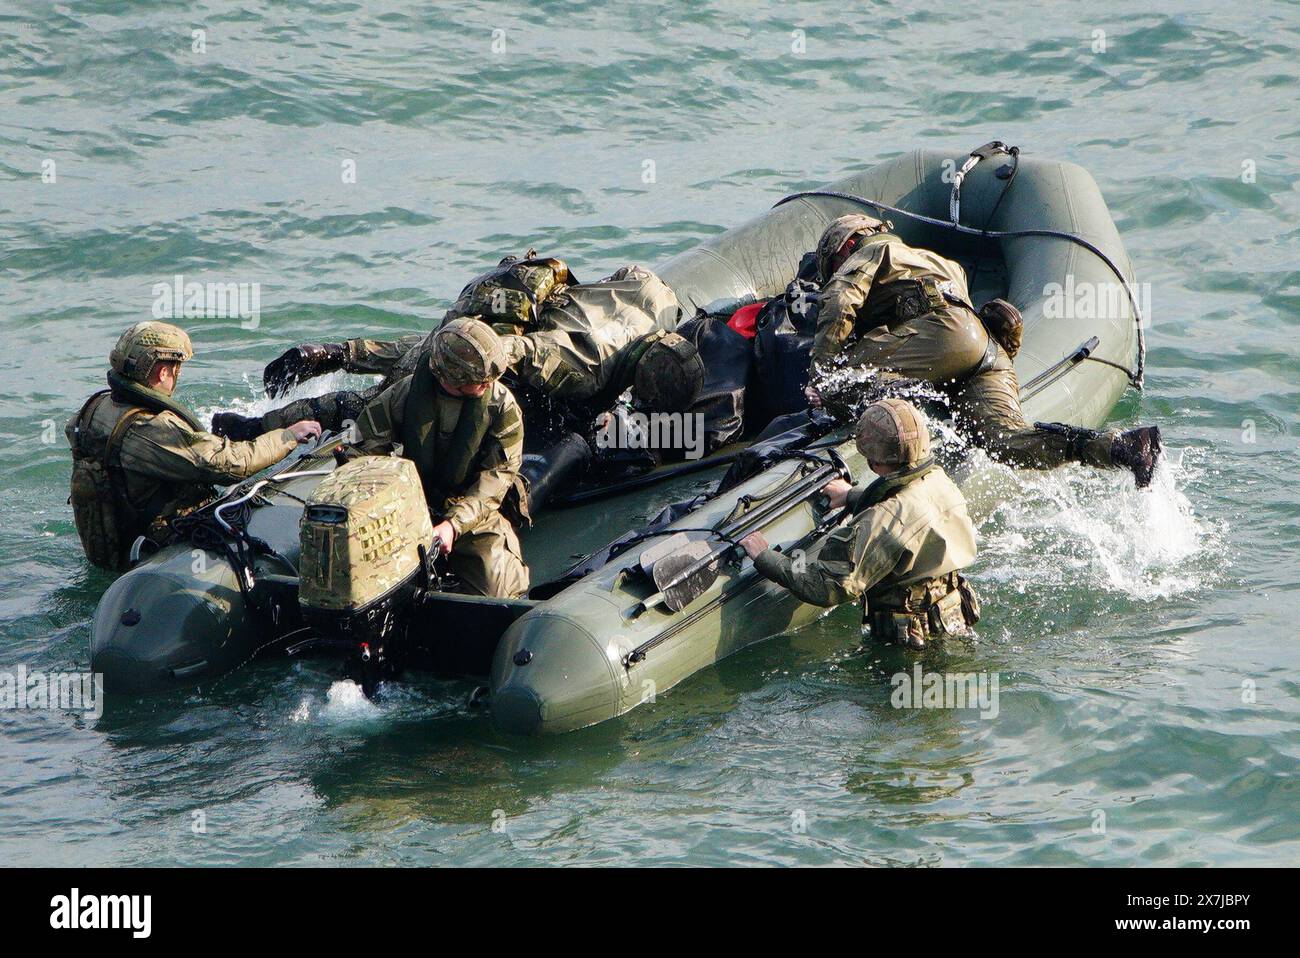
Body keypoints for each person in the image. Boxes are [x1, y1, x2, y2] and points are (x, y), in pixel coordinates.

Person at [805, 214, 1163, 487]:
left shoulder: (872, 250)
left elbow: (841, 299)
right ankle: (1121, 448)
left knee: (844, 382)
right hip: (984, 349)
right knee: (1006, 441)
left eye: (832, 265)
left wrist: (822, 375)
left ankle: (879, 401)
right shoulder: (939, 261)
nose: (834, 272)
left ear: (847, 244)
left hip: (942, 336)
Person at [212, 263, 702, 439]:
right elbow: (513, 349)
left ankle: (338, 353)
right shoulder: (583, 373)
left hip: (521, 287)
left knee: (439, 350)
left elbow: (621, 274)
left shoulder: (659, 297)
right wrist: (463, 378)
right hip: (502, 327)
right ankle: (255, 427)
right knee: (396, 398)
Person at [66, 321, 321, 571]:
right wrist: (287, 436)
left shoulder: (93, 409)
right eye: (176, 368)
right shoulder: (151, 429)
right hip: (156, 552)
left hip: (114, 542)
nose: (177, 375)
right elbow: (228, 464)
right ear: (163, 372)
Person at [739, 398, 979, 649]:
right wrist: (853, 495)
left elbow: (827, 588)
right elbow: (910, 509)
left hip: (909, 647)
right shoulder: (938, 480)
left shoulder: (881, 521)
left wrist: (765, 557)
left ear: (873, 462)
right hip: (951, 617)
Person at [353, 318, 529, 599]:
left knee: (497, 587)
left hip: (472, 509)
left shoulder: (501, 407)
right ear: (451, 377)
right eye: (480, 380)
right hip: (410, 502)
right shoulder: (402, 397)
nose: (489, 384)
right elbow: (362, 458)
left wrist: (453, 525)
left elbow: (497, 479)